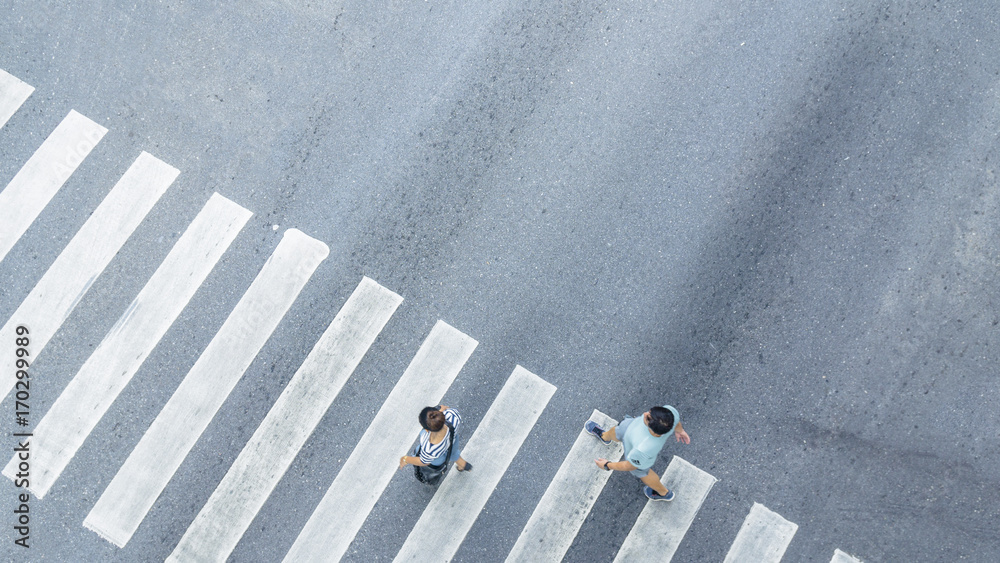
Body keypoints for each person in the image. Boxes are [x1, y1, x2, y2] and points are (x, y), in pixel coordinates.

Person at [585, 405, 690, 501]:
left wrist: (607, 465)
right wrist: (680, 431)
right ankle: (664, 494)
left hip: (633, 440)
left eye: (648, 418)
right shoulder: (669, 413)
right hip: (637, 436)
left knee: (642, 472)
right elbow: (675, 421)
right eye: (649, 412)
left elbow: (629, 465)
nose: (644, 413)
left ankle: (604, 436)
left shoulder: (641, 449)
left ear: (652, 429)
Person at [398, 405, 472, 474]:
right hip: (452, 440)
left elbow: (423, 461)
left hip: (439, 455)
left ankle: (462, 464)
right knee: (452, 452)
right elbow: (445, 407)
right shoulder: (453, 415)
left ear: (427, 430)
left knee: (417, 452)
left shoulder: (429, 448)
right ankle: (462, 464)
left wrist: (405, 459)